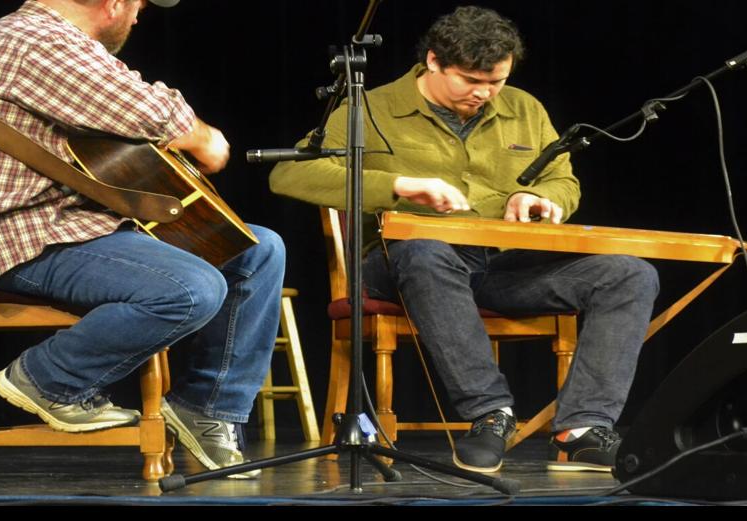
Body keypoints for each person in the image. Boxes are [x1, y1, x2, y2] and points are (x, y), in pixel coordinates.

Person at [269, 5, 658, 474]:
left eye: (496, 82)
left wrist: (539, 196)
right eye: (471, 80)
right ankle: (490, 414)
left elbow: (564, 181)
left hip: (501, 265)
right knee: (426, 253)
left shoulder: (525, 109)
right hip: (403, 263)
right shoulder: (370, 108)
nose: (484, 93)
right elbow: (290, 173)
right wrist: (399, 185)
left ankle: (581, 430)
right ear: (433, 61)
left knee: (629, 274)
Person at [0, 0, 286, 478]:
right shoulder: (34, 42)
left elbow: (123, 94)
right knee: (192, 288)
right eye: (138, 6)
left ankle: (206, 408)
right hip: (10, 237)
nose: (137, 18)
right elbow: (146, 110)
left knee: (257, 250)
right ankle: (48, 377)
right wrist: (204, 137)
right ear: (113, 4)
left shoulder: (57, 43)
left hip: (61, 226)